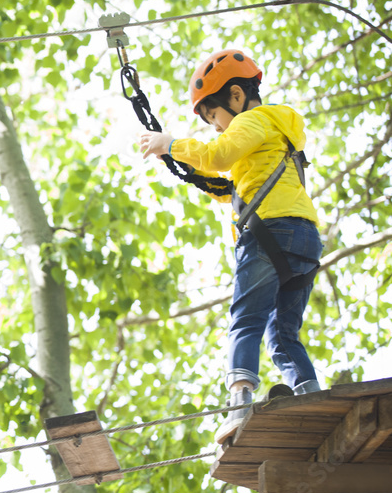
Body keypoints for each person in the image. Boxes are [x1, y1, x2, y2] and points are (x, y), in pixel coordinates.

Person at [138, 50, 322, 444]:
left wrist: (172, 144)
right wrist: (181, 164)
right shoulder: (277, 134)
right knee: (282, 334)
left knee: (246, 320)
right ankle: (313, 398)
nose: (216, 129)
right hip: (304, 241)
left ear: (236, 97)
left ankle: (238, 405)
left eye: (214, 118)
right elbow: (231, 187)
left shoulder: (254, 120)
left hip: (271, 234)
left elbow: (219, 156)